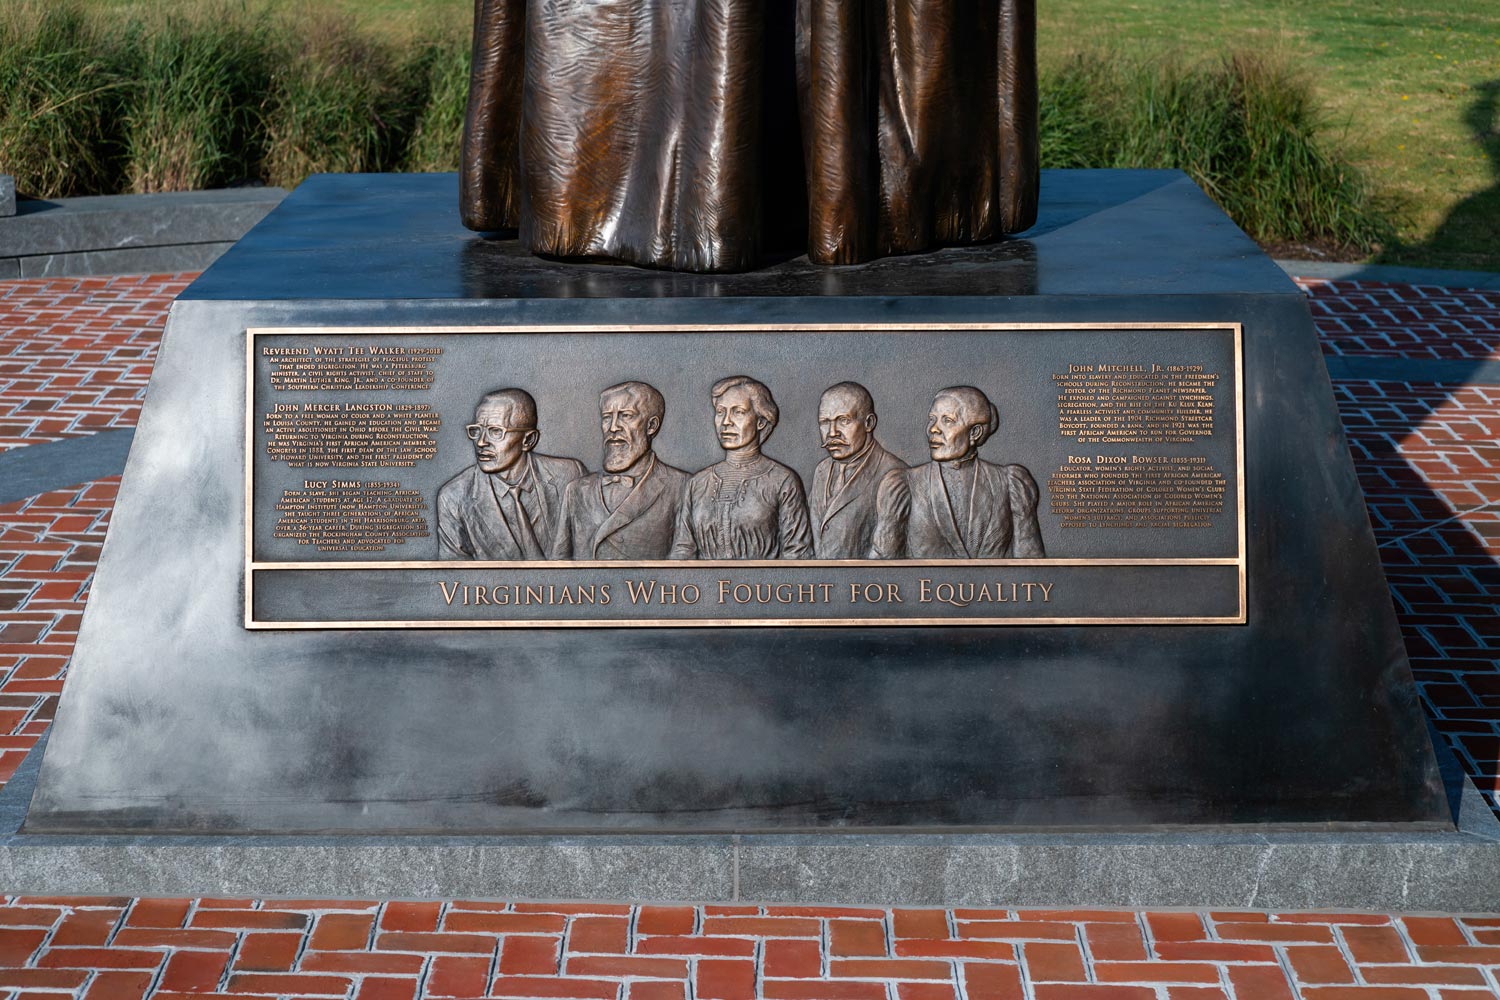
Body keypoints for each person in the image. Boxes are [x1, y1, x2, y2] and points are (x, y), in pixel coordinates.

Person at [871, 386, 1044, 559]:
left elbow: (1033, 569)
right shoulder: (904, 485)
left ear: (975, 432)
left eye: (947, 420)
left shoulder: (1010, 484)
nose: (933, 429)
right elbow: (878, 571)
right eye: (932, 419)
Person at [670, 376, 813, 559]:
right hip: (705, 586)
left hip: (765, 586)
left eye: (738, 412)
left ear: (760, 421)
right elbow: (682, 552)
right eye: (721, 412)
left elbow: (797, 555)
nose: (726, 422)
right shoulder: (698, 483)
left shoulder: (782, 480)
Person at [436, 388, 585, 560]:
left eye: (495, 431)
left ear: (528, 440)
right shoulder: (454, 497)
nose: (481, 442)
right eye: (477, 430)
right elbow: (454, 578)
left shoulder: (569, 475)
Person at [551, 382, 690, 560]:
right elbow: (557, 567)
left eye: (626, 416)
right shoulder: (576, 490)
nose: (613, 427)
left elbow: (684, 571)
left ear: (651, 426)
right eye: (607, 417)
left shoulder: (681, 486)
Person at [808, 382, 907, 558]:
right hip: (818, 584)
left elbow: (884, 557)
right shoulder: (822, 470)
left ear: (869, 423)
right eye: (825, 422)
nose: (832, 433)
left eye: (843, 421)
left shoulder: (895, 476)